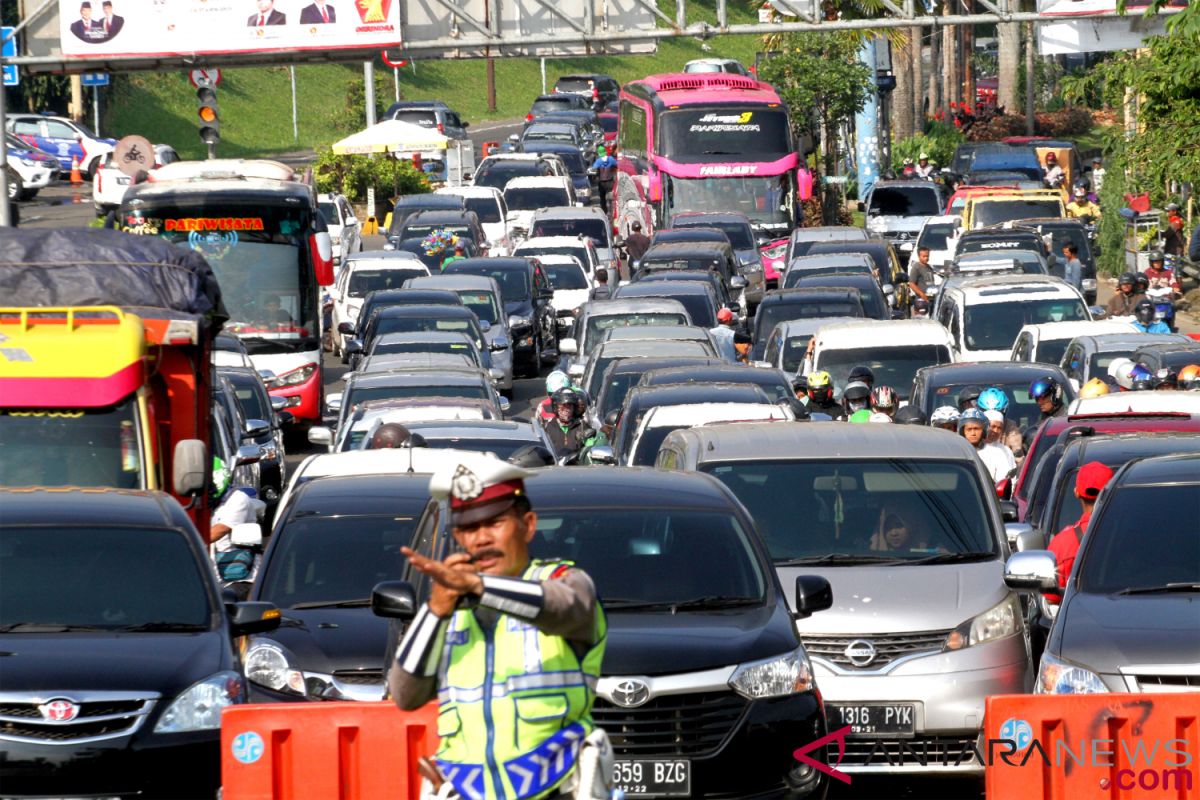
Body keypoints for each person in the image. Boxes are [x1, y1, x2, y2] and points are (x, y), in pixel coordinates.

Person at [389, 458, 610, 800]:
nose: (481, 539)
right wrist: (435, 611)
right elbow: (405, 695)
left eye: (494, 523)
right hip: (465, 791)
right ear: (458, 537)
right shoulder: (449, 606)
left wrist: (478, 586)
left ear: (528, 525)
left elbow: (564, 607)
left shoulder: (564, 582)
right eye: (469, 529)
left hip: (557, 788)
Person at [1046, 461, 1114, 603]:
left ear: (1076, 492)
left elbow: (1050, 601)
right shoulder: (1130, 537)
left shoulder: (1061, 544)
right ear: (1111, 493)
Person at [959, 408, 1016, 484]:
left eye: (976, 429)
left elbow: (1003, 482)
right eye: (969, 429)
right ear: (963, 431)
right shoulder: (955, 451)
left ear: (983, 430)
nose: (973, 433)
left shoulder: (997, 453)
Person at [543, 387, 591, 461]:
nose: (566, 410)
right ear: (556, 407)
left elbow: (590, 451)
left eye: (569, 406)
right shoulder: (547, 427)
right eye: (563, 406)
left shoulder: (582, 426)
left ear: (574, 408)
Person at [591, 146, 618, 215]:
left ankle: (604, 212)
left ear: (599, 153)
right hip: (610, 182)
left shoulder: (598, 161)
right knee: (611, 198)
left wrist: (594, 177)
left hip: (601, 183)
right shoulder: (611, 159)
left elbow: (594, 170)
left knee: (602, 199)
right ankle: (612, 211)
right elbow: (617, 165)